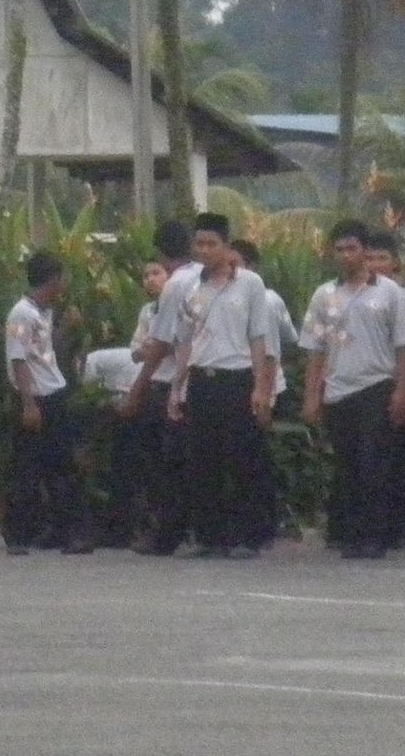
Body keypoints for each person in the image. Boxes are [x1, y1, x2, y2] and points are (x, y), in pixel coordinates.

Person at [299, 220, 405, 559]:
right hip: (338, 391)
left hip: (376, 386)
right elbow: (316, 350)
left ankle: (375, 535)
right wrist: (312, 396)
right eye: (339, 249)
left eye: (352, 248)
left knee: (373, 464)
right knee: (347, 465)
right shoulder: (324, 295)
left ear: (365, 251)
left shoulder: (389, 292)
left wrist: (402, 392)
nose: (346, 255)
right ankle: (350, 533)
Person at [169, 212, 274, 558]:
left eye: (211, 243)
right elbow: (185, 341)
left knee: (242, 459)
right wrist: (177, 388)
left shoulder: (250, 284)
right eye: (199, 244)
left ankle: (246, 536)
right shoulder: (188, 287)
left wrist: (261, 387)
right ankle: (210, 536)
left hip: (237, 378)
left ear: (227, 246)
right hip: (203, 380)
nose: (204, 250)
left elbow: (258, 338)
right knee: (202, 460)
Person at [120, 221, 202, 556]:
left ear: (160, 253)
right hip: (203, 379)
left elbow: (160, 344)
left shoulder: (177, 284)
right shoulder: (205, 276)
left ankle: (166, 533)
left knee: (164, 463)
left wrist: (136, 388)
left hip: (169, 385)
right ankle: (202, 529)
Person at [3, 249, 92, 556]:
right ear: (52, 281)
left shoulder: (45, 312)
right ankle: (17, 534)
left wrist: (66, 328)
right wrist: (28, 404)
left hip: (54, 392)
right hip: (35, 397)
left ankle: (63, 531)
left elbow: (45, 350)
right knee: (26, 467)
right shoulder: (21, 314)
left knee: (61, 465)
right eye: (61, 280)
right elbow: (18, 359)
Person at [88, 259, 166, 547]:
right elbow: (136, 352)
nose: (150, 279)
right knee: (127, 457)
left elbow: (163, 347)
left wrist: (152, 349)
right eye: (145, 275)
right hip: (144, 388)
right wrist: (152, 349)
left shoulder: (180, 306)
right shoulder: (147, 311)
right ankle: (121, 526)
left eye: (156, 273)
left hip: (169, 388)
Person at [365, 230, 405, 549]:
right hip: (374, 387)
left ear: (395, 264)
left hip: (404, 383)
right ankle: (385, 526)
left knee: (404, 459)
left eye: (382, 258)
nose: (375, 264)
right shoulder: (359, 295)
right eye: (370, 258)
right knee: (380, 459)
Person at [230, 239, 299, 412]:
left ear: (252, 267)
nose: (229, 270)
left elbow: (269, 352)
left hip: (263, 390)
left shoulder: (265, 301)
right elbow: (290, 338)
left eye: (235, 264)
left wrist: (266, 398)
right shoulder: (225, 298)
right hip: (237, 384)